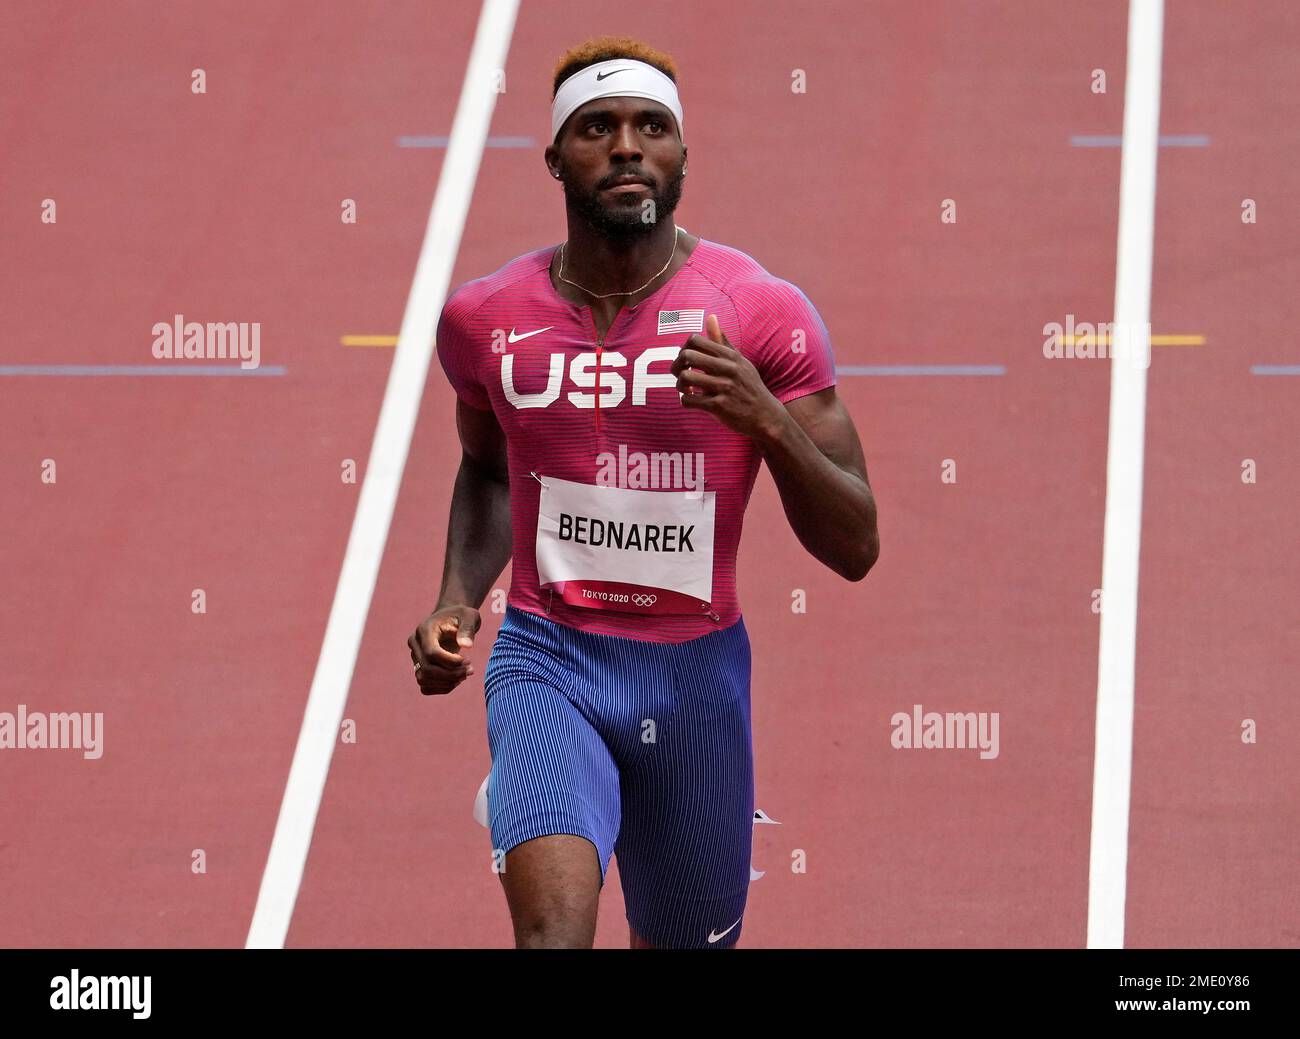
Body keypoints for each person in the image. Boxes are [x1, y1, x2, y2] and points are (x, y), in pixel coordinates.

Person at [408, 36, 879, 949]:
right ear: (554, 158)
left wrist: (764, 417)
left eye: (651, 127)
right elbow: (492, 466)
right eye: (597, 128)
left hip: (696, 679)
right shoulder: (485, 319)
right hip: (549, 661)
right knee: (555, 936)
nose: (627, 147)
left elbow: (856, 544)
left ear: (683, 158)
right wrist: (456, 600)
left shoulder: (760, 312)